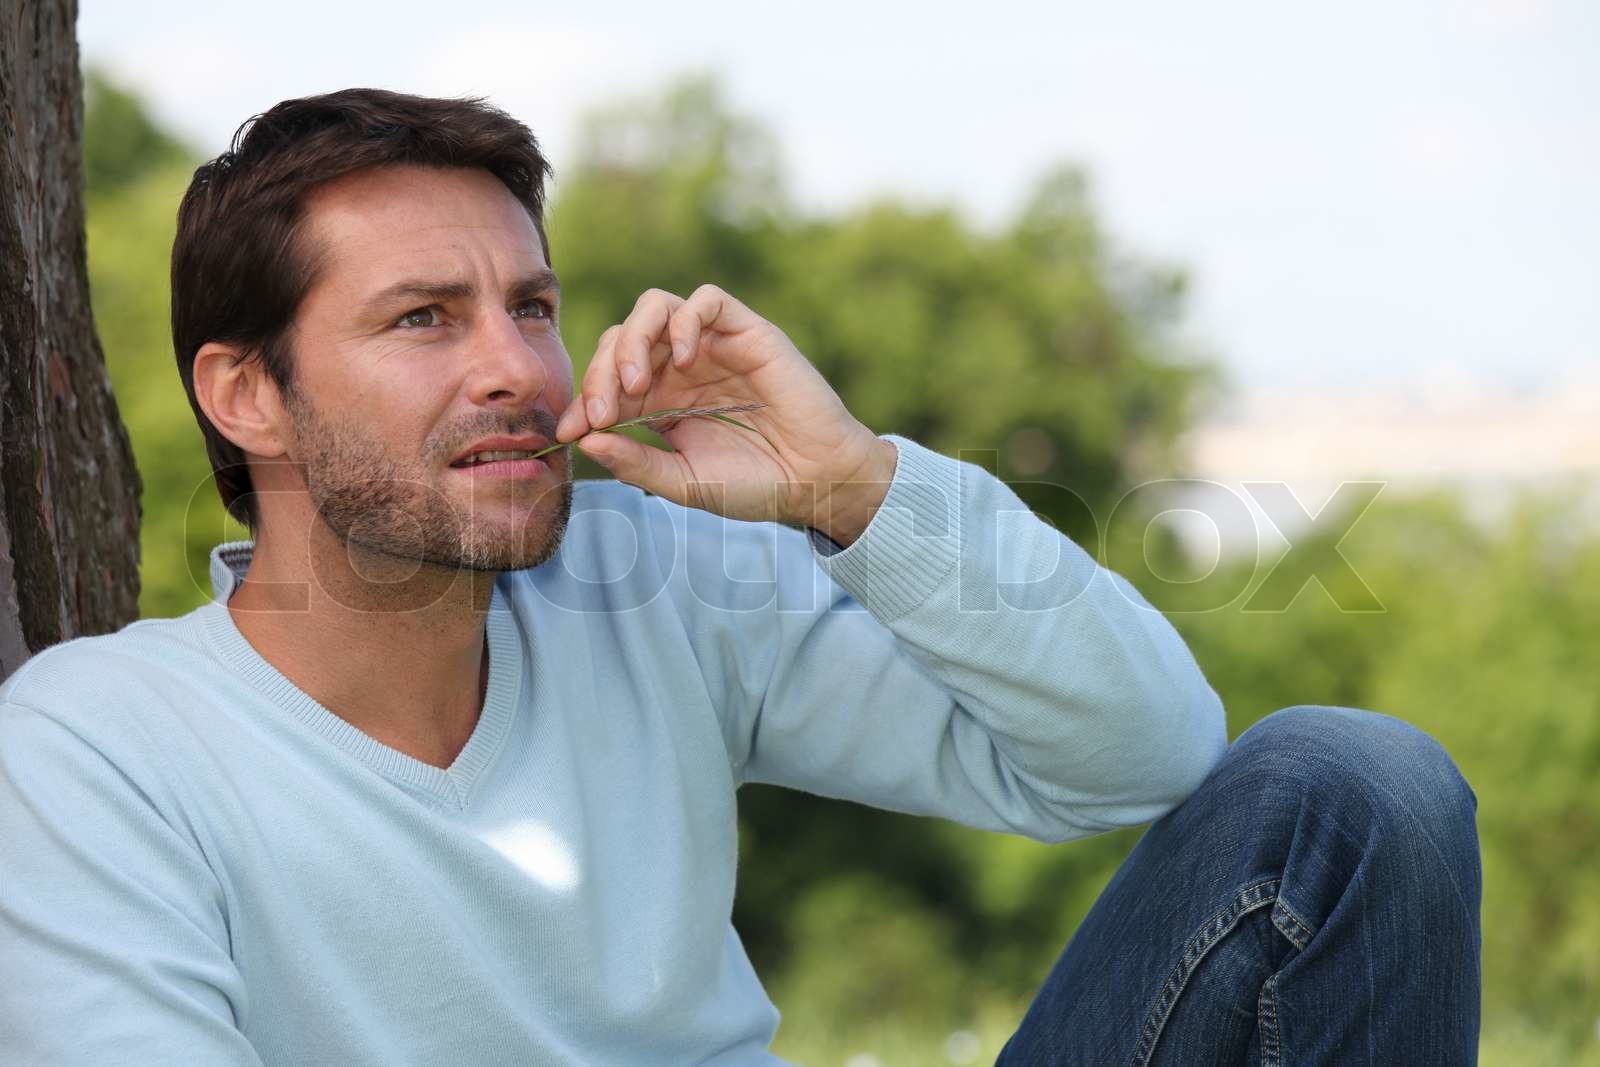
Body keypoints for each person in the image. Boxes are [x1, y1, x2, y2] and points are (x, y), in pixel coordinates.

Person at [0, 89, 1480, 1066]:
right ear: (247, 395)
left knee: (1353, 792)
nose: (518, 369)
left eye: (532, 306)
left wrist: (857, 490)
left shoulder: (650, 580)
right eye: (423, 320)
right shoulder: (97, 751)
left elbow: (1140, 754)